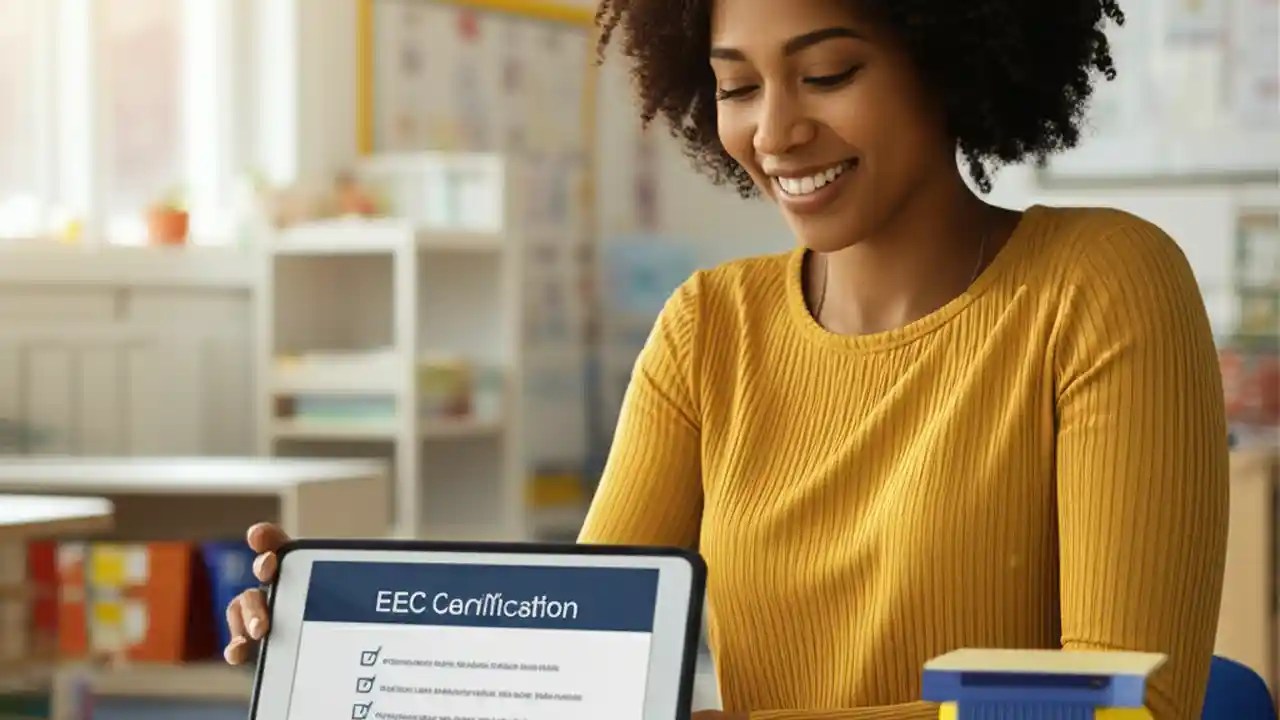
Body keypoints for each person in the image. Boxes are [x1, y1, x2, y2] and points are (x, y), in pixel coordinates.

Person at [224, 0, 1231, 717]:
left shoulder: (1101, 282)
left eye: (828, 73)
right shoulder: (708, 326)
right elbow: (586, 656)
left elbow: (1122, 705)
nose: (776, 130)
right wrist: (354, 640)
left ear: (947, 51)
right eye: (736, 86)